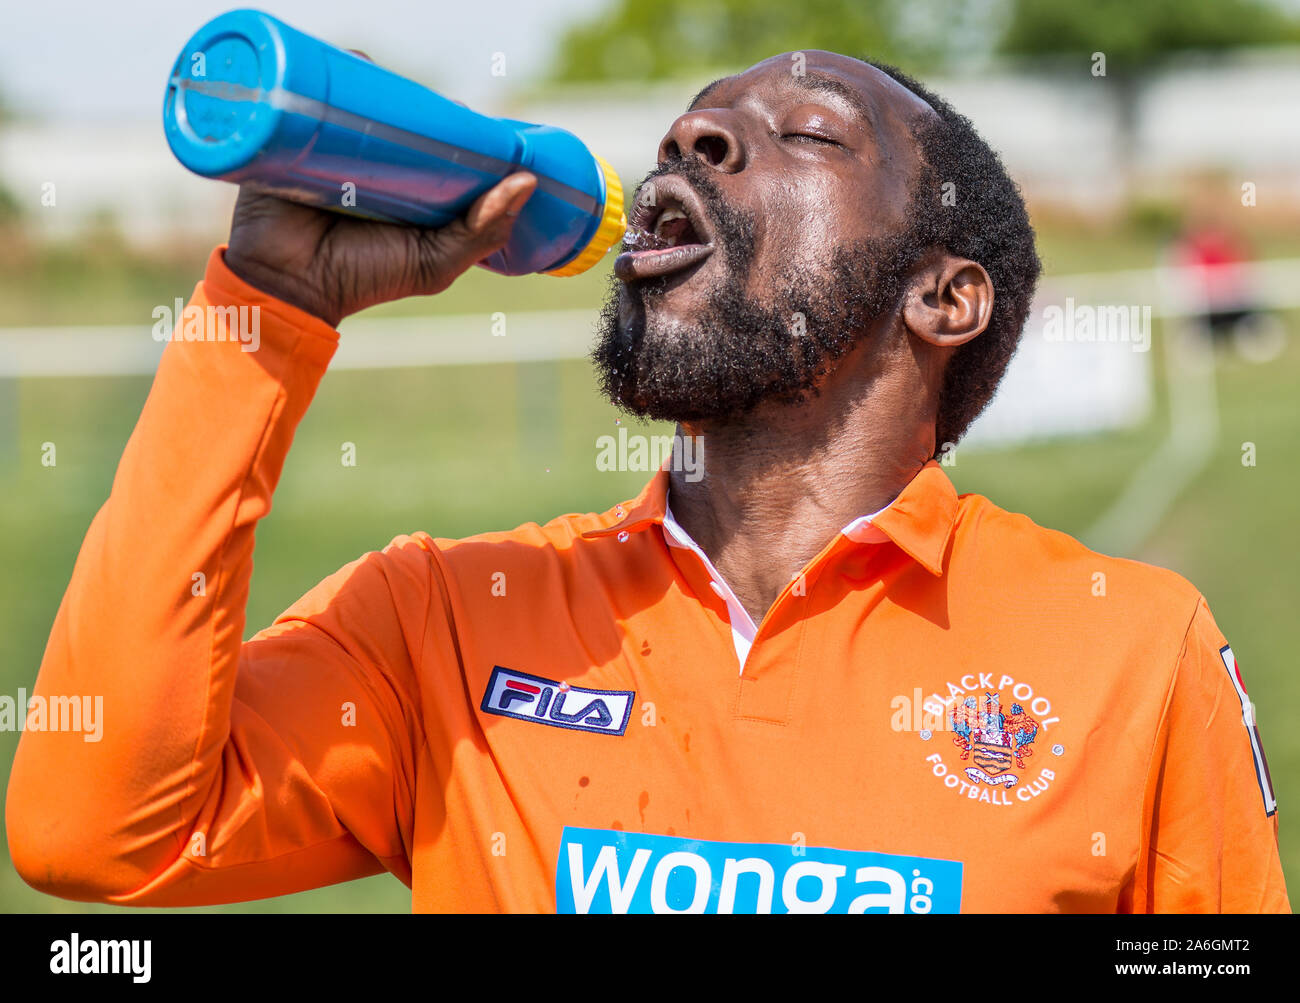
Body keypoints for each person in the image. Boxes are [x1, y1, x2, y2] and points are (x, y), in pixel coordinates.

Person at [7, 52, 1288, 913]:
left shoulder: (1134, 650)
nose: (694, 136)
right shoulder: (439, 623)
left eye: (805, 134)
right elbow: (94, 833)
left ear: (944, 295)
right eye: (690, 133)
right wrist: (269, 309)